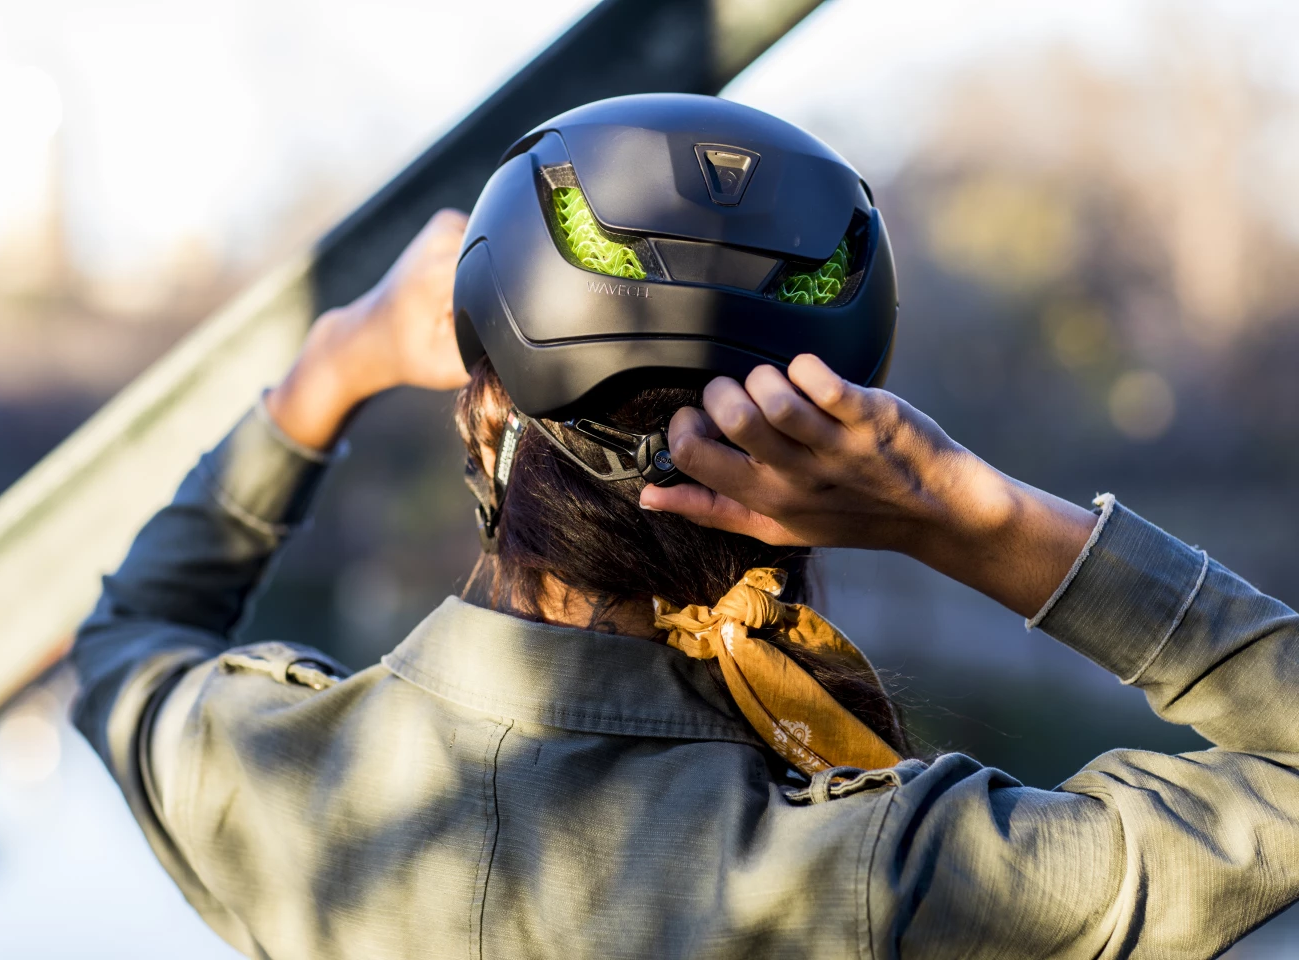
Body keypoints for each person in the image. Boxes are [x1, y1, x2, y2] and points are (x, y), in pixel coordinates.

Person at [74, 112, 1299, 958]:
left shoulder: (275, 779)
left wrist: (330, 368)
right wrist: (962, 518)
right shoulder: (891, 877)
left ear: (488, 412)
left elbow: (131, 635)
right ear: (826, 457)